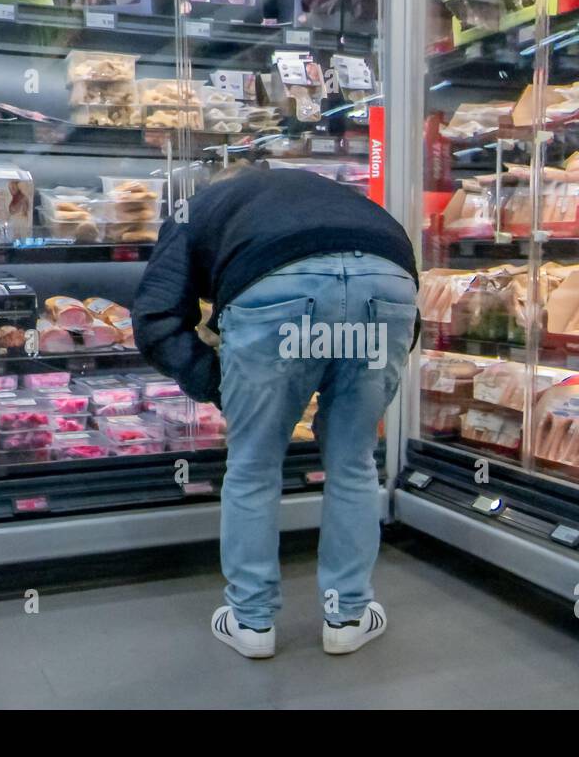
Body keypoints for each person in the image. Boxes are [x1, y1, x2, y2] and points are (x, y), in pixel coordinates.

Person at [132, 166, 418, 659]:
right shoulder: (334, 195)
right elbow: (404, 305)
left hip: (276, 289)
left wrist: (216, 381)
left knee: (254, 466)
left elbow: (156, 316)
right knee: (353, 463)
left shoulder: (195, 210)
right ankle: (348, 616)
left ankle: (251, 622)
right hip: (387, 282)